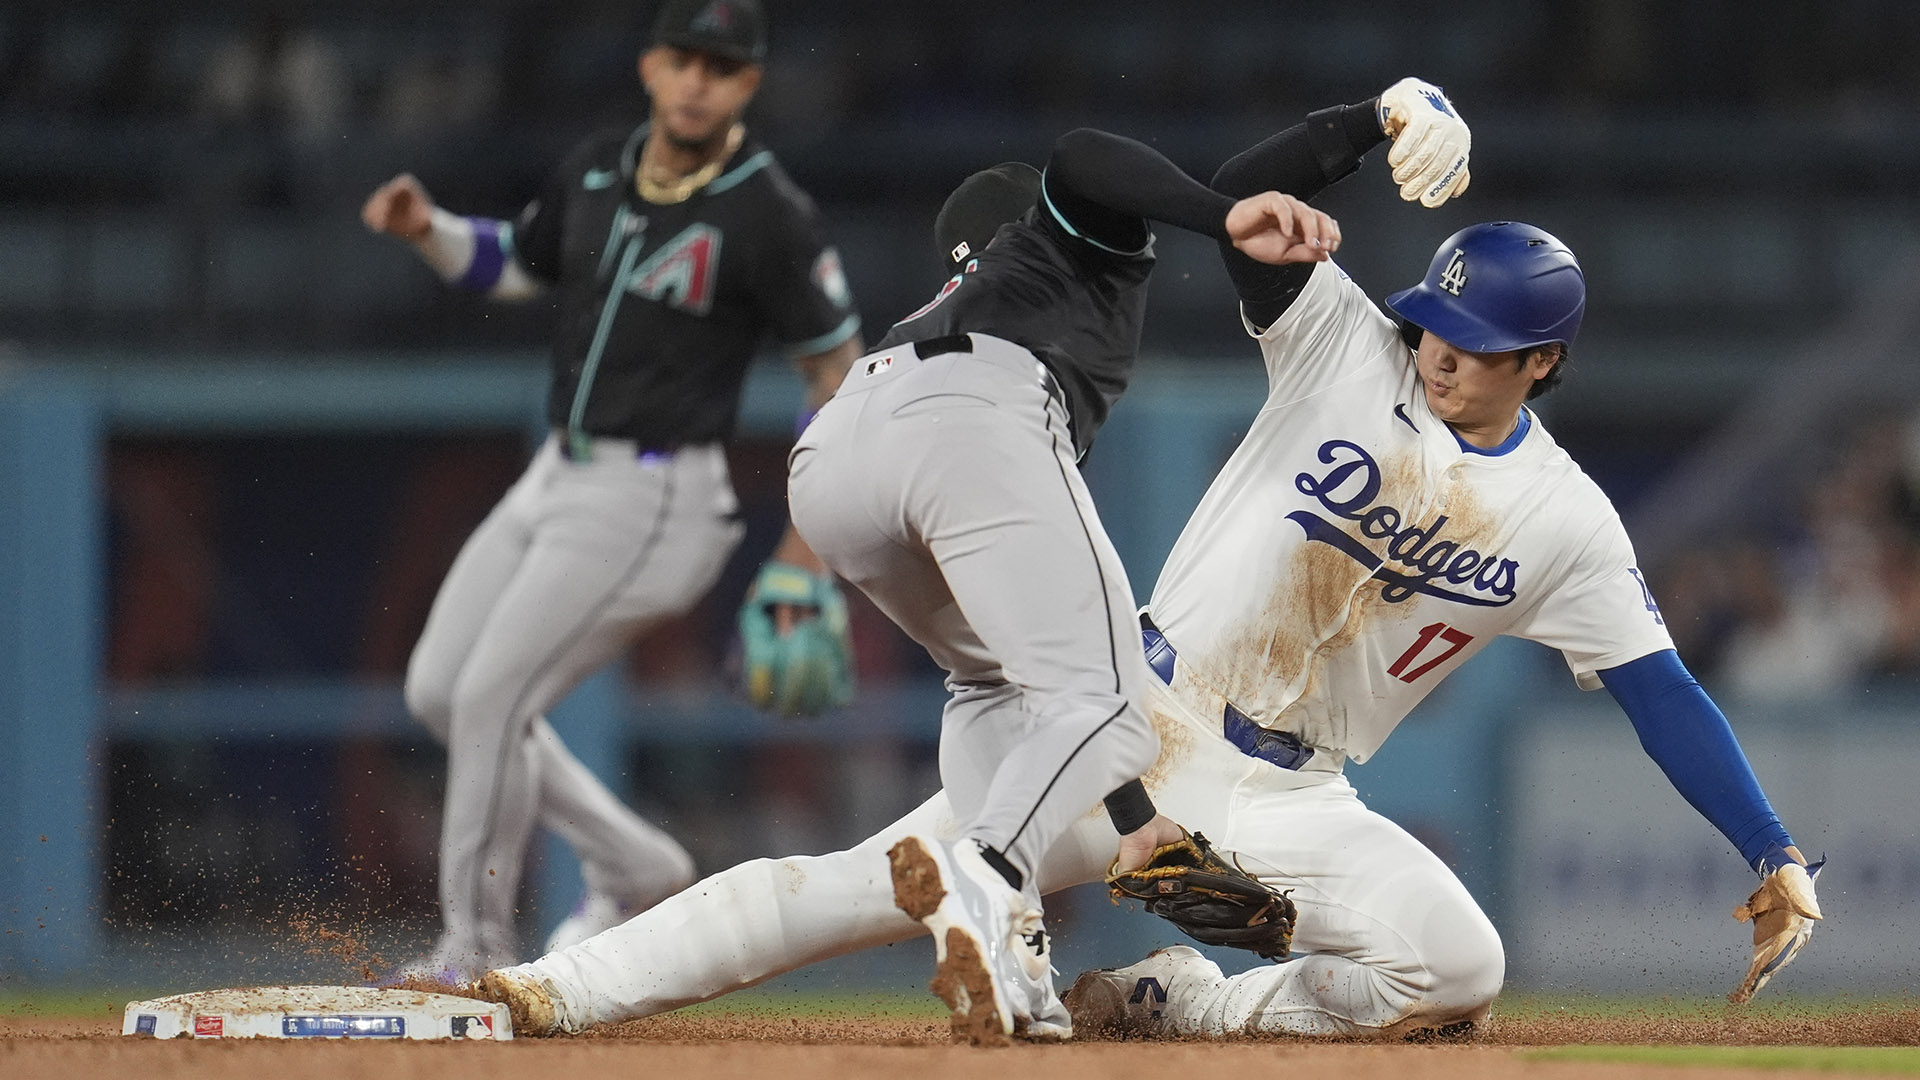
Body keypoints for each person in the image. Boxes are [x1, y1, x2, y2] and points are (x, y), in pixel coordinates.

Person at [476, 77, 1821, 1040]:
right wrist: (1369, 122)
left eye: (1478, 343)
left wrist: (1770, 851)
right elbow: (1232, 207)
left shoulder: (1570, 521)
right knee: (863, 886)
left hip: (1302, 797)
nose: (1439, 348)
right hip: (1141, 725)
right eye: (1435, 323)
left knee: (1457, 971)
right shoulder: (1349, 345)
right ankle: (561, 988)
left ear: (1547, 362)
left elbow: (1662, 693)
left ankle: (1186, 1002)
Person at [358, 0, 863, 981]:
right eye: (683, 59)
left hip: (658, 494)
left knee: (493, 697)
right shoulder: (598, 165)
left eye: (721, 67)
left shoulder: (768, 212)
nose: (697, 80)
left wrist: (806, 547)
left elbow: (836, 375)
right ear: (650, 65)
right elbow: (516, 263)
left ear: (747, 84)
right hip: (559, 469)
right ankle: (636, 862)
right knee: (438, 692)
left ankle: (473, 950)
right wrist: (428, 231)